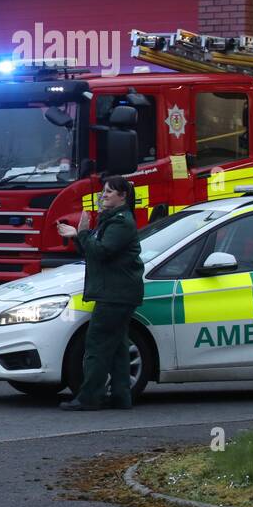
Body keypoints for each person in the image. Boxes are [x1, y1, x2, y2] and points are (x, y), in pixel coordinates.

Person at [56, 176, 143, 411]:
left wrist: (82, 233)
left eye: (109, 192)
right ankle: (121, 396)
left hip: (115, 294)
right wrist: (77, 236)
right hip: (116, 292)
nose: (103, 195)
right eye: (103, 192)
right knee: (117, 347)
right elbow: (94, 251)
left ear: (123, 196)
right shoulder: (112, 220)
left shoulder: (121, 223)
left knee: (96, 344)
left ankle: (89, 397)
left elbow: (103, 251)